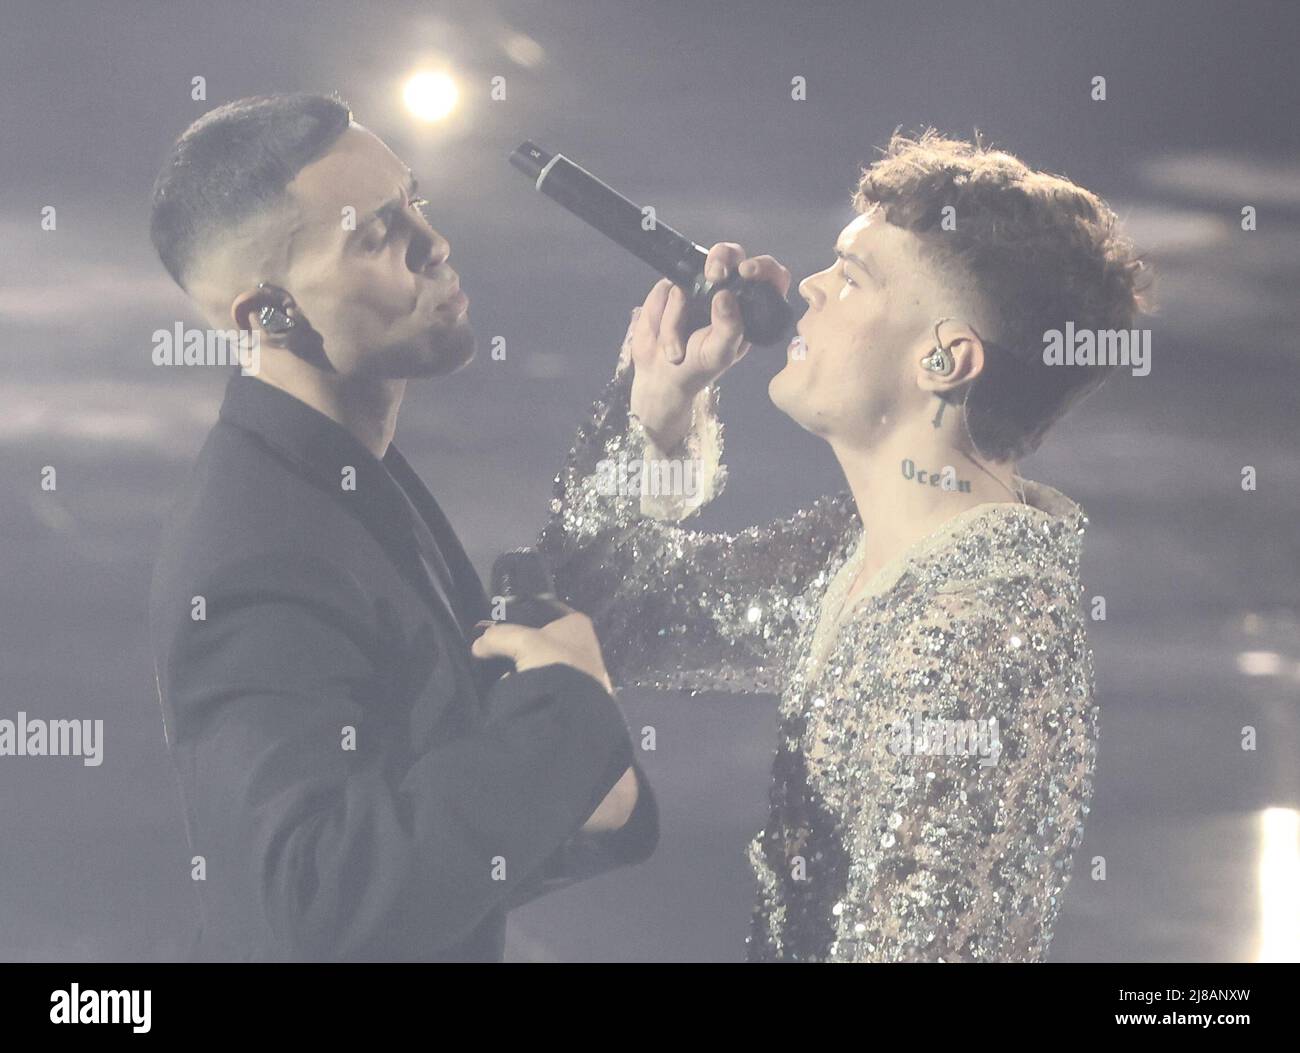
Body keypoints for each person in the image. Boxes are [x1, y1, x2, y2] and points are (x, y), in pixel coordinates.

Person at [534, 129, 1150, 961]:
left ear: (945, 358)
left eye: (852, 278)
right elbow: (611, 610)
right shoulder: (865, 554)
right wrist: (660, 412)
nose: (809, 287)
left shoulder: (976, 632)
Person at [147, 93, 656, 962]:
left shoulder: (346, 472)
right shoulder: (257, 552)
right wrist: (565, 718)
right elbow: (316, 901)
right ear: (267, 313)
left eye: (416, 199)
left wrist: (580, 786)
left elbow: (415, 821)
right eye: (377, 235)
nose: (436, 243)